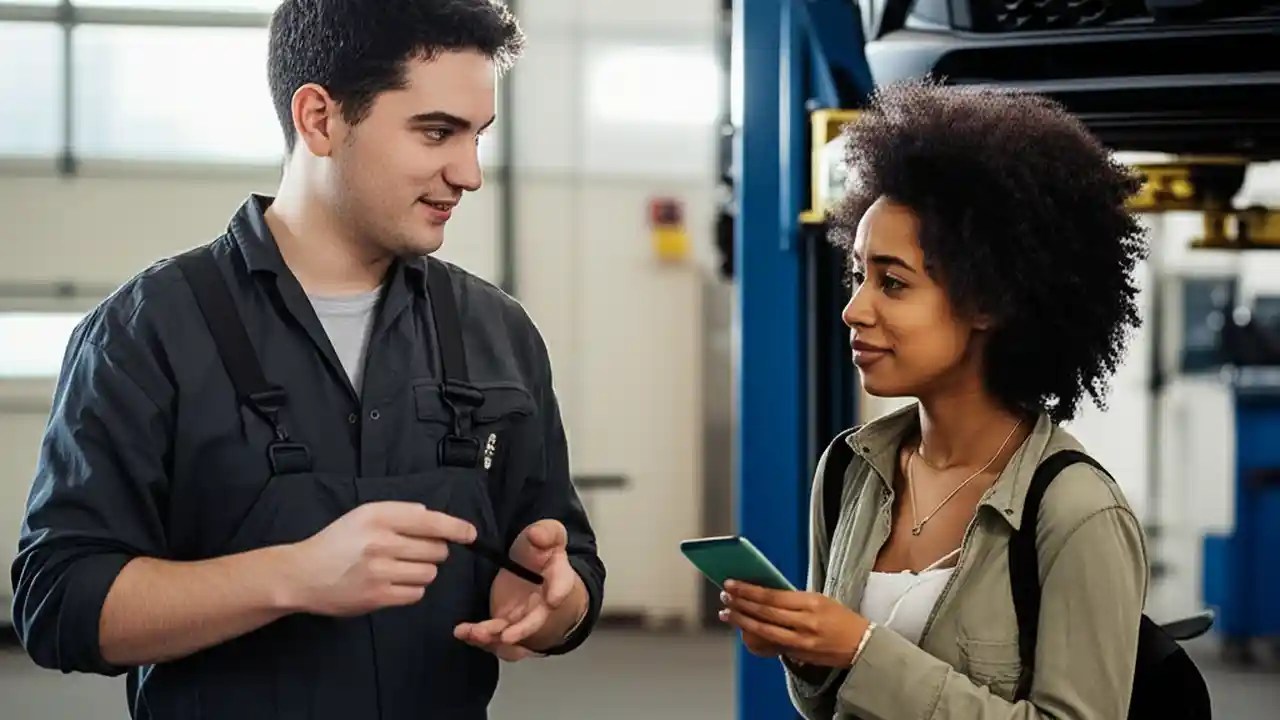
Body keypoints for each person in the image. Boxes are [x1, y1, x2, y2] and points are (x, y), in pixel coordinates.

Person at [10, 1, 605, 718]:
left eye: (478, 137)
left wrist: (557, 604)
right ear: (320, 118)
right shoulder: (149, 331)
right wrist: (292, 576)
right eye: (437, 132)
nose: (470, 173)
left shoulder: (497, 332)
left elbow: (569, 567)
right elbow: (58, 601)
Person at [718, 79, 1151, 719]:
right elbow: (823, 705)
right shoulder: (849, 471)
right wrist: (805, 649)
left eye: (893, 283)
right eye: (858, 273)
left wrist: (863, 651)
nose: (853, 309)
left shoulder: (1074, 511)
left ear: (989, 302)